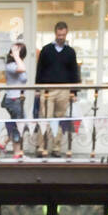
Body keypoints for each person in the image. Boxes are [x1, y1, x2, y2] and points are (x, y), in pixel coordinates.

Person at [34, 21, 79, 157]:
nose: (61, 37)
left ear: (66, 34)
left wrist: (74, 92)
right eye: (59, 34)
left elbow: (74, 72)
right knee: (45, 118)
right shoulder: (46, 50)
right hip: (47, 89)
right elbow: (40, 69)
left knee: (59, 119)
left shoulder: (70, 52)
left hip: (64, 89)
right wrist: (37, 88)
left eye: (63, 35)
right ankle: (42, 147)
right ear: (55, 33)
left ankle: (56, 148)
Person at [0, 42, 28, 157]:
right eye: (14, 50)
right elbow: (22, 69)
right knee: (19, 125)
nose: (16, 52)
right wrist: (15, 55)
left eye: (18, 50)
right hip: (13, 99)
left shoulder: (17, 63)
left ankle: (4, 142)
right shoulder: (10, 66)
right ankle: (17, 152)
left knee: (20, 124)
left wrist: (17, 57)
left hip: (17, 100)